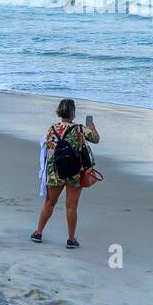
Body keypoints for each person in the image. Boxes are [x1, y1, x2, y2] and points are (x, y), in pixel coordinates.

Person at [32, 98, 99, 249]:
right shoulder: (80, 129)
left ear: (59, 111)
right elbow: (96, 139)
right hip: (75, 172)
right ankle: (70, 239)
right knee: (71, 207)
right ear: (73, 112)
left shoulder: (52, 129)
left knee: (49, 203)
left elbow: (48, 148)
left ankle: (38, 233)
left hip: (55, 171)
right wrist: (92, 127)